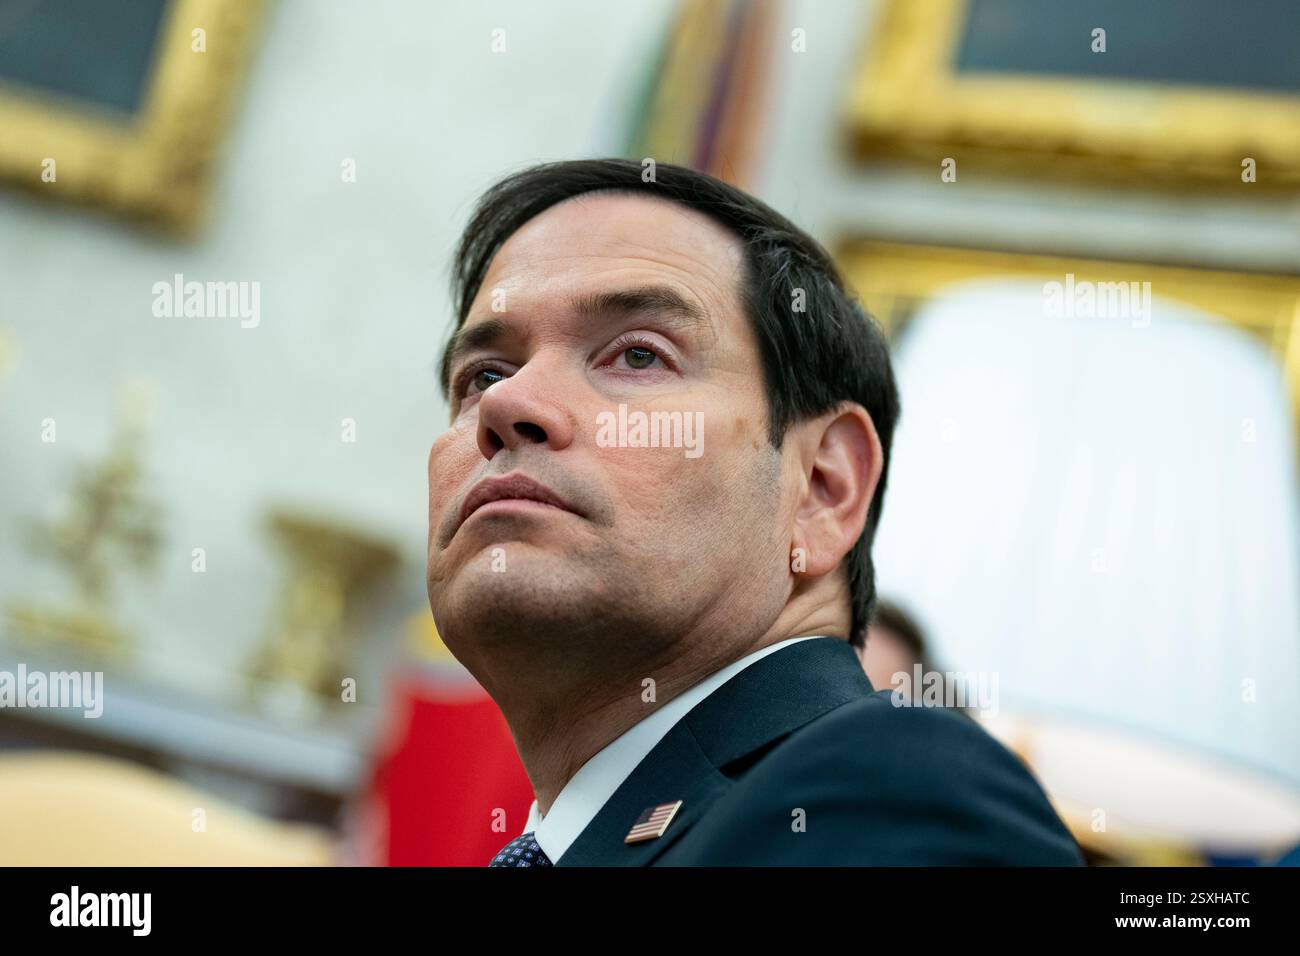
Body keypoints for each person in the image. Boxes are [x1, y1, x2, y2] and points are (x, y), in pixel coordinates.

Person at [425, 158, 1083, 866]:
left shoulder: (886, 786)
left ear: (823, 487)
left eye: (639, 356)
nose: (506, 404)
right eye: (483, 375)